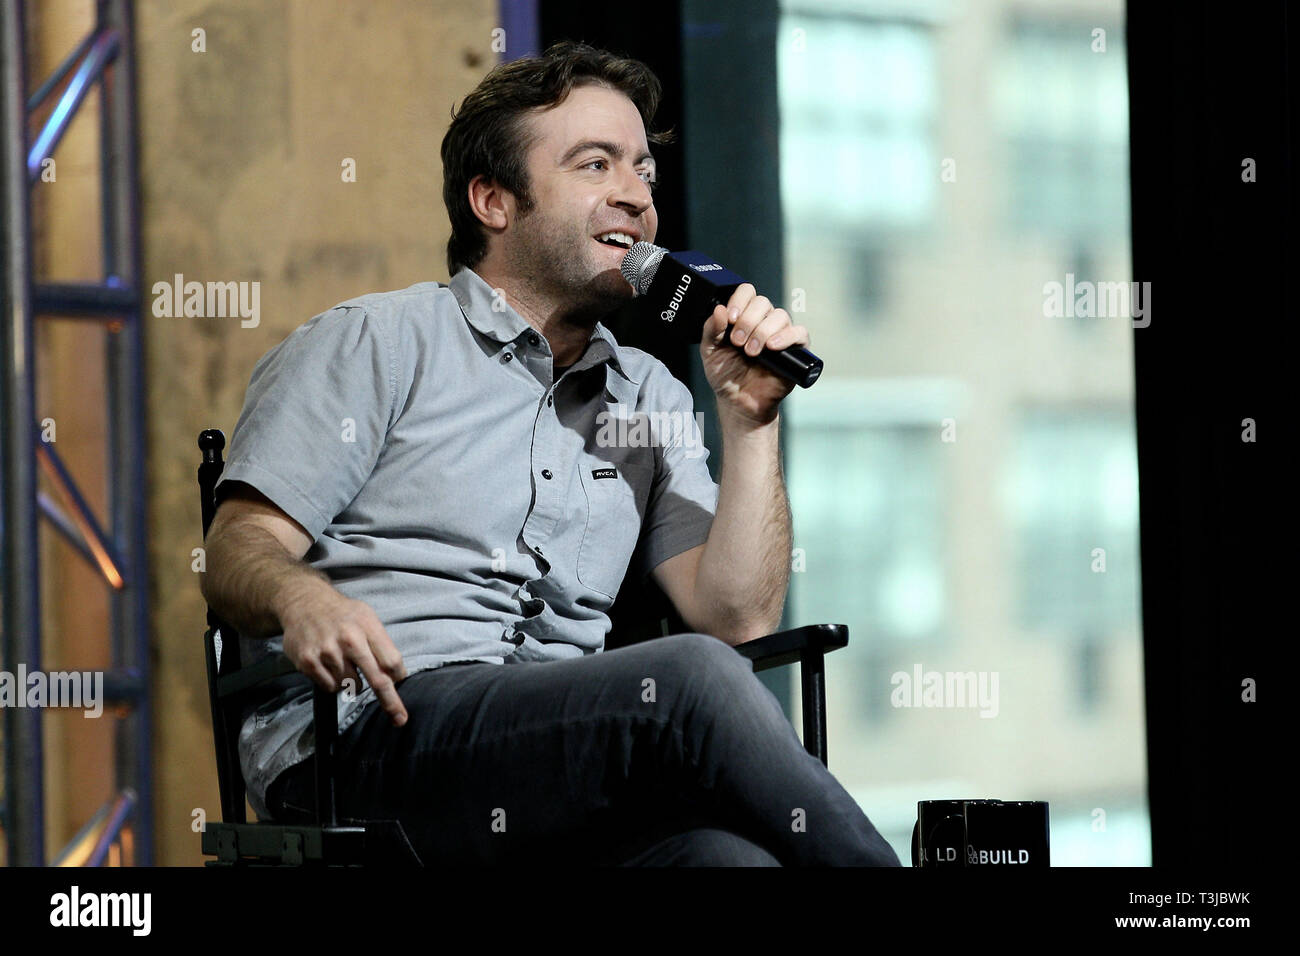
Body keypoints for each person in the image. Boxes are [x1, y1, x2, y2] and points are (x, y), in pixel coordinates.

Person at [200, 40, 900, 867]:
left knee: (726, 861)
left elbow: (737, 614)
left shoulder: (648, 394)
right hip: (370, 738)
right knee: (690, 680)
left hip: (555, 767)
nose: (634, 197)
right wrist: (302, 599)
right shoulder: (376, 342)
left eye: (644, 171)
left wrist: (750, 423)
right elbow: (236, 549)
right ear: (494, 201)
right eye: (595, 164)